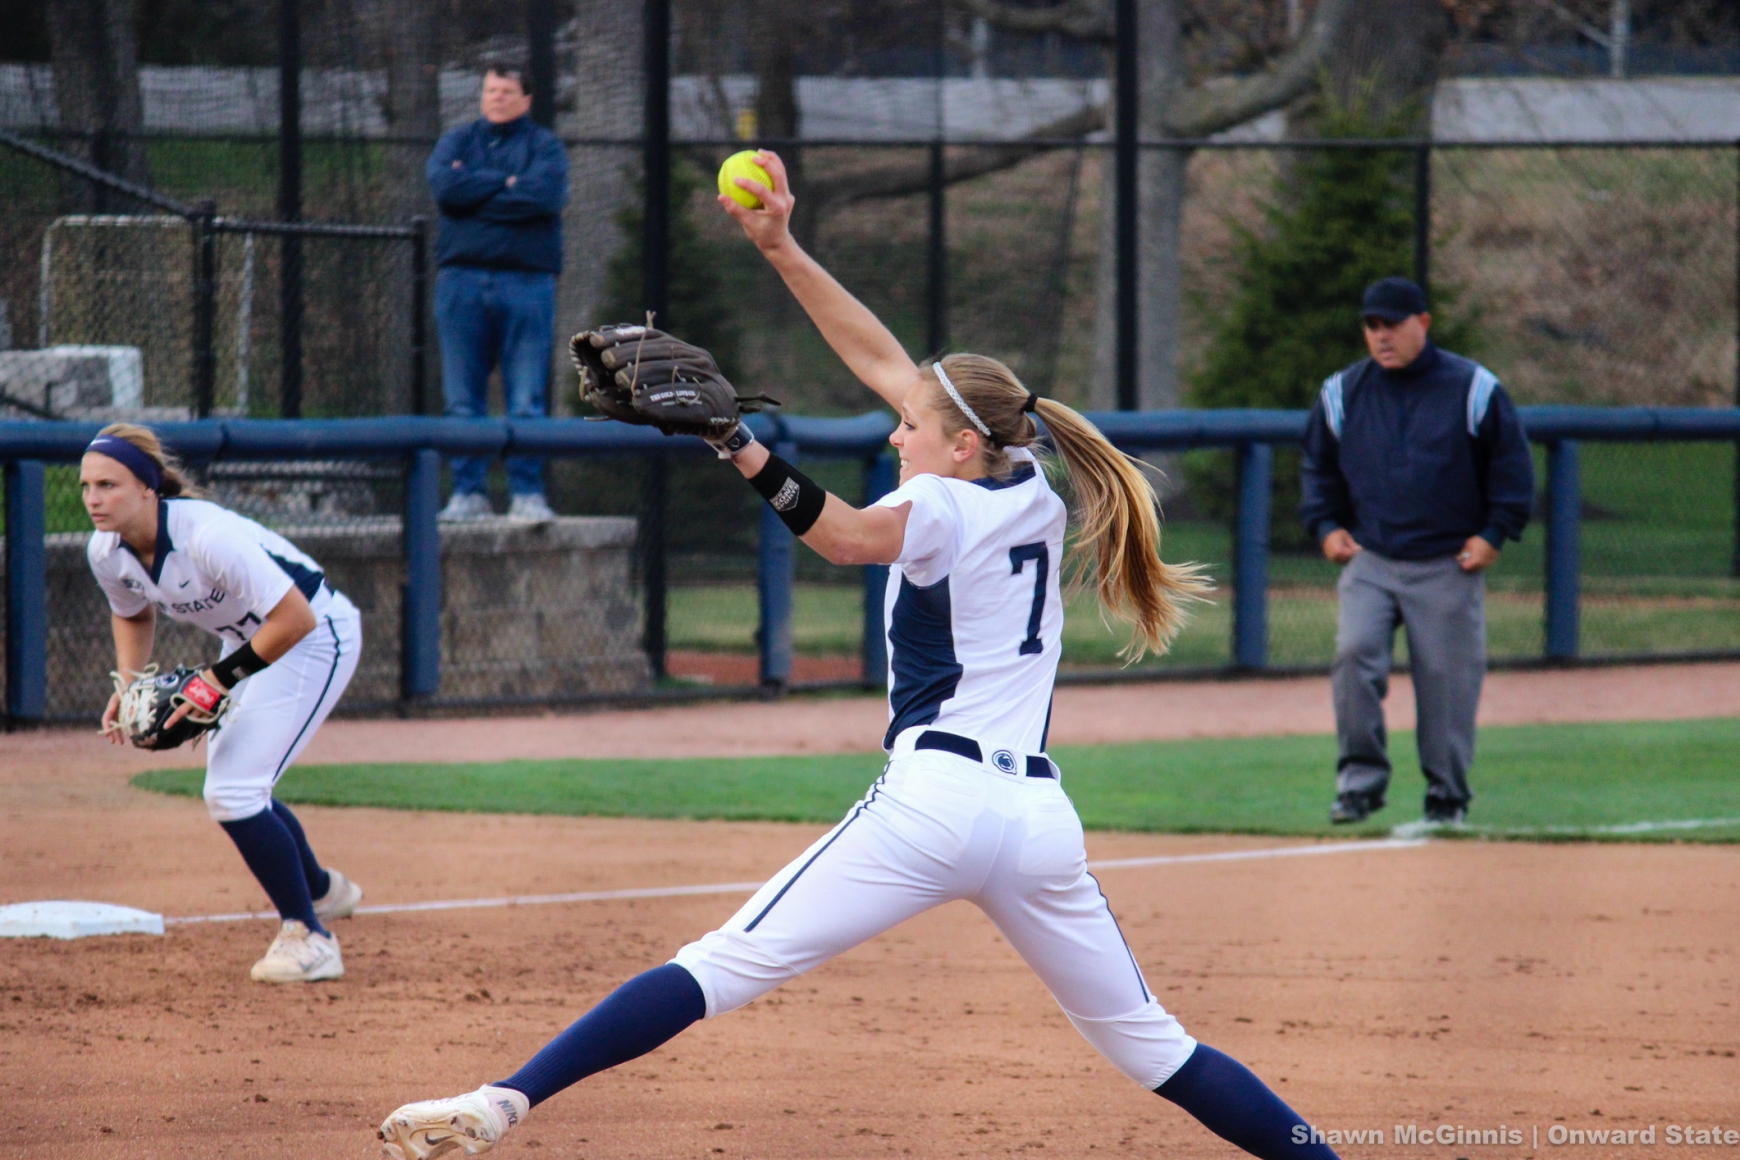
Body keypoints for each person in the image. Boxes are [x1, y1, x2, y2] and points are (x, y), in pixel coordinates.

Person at [376, 151, 1345, 1160]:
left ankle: (502, 1101)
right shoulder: (1033, 491)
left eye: (911, 425)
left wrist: (738, 444)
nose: (894, 430)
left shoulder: (932, 501)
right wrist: (781, 247)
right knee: (1159, 1048)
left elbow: (843, 537)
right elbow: (888, 361)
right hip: (1041, 820)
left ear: (958, 444)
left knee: (720, 962)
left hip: (936, 804)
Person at [83, 423, 364, 983]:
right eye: (87, 486)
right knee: (241, 787)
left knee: (233, 789)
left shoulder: (206, 535)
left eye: (108, 485)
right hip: (250, 642)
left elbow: (296, 618)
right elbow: (134, 611)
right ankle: (322, 891)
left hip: (316, 636)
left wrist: (217, 680)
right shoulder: (107, 551)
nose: (94, 499)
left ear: (147, 488)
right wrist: (128, 684)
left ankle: (310, 937)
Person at [1300, 277, 1534, 828]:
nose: (1381, 336)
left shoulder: (1473, 388)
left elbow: (1511, 468)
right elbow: (1317, 466)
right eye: (1372, 326)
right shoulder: (1342, 392)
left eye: (1393, 325)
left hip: (1448, 561)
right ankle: (1359, 785)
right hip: (1373, 558)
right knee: (1354, 656)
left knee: (1446, 680)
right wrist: (1326, 525)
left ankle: (1447, 794)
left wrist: (1494, 532)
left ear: (1422, 324)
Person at [427, 63, 570, 523]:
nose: (497, 97)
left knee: (526, 399)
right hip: (460, 283)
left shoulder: (545, 146)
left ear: (526, 99)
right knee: (462, 400)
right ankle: (468, 494)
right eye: (491, 89)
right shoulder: (457, 141)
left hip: (527, 283)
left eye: (507, 90)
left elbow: (544, 198)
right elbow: (446, 189)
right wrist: (505, 183)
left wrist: (476, 191)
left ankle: (528, 495)